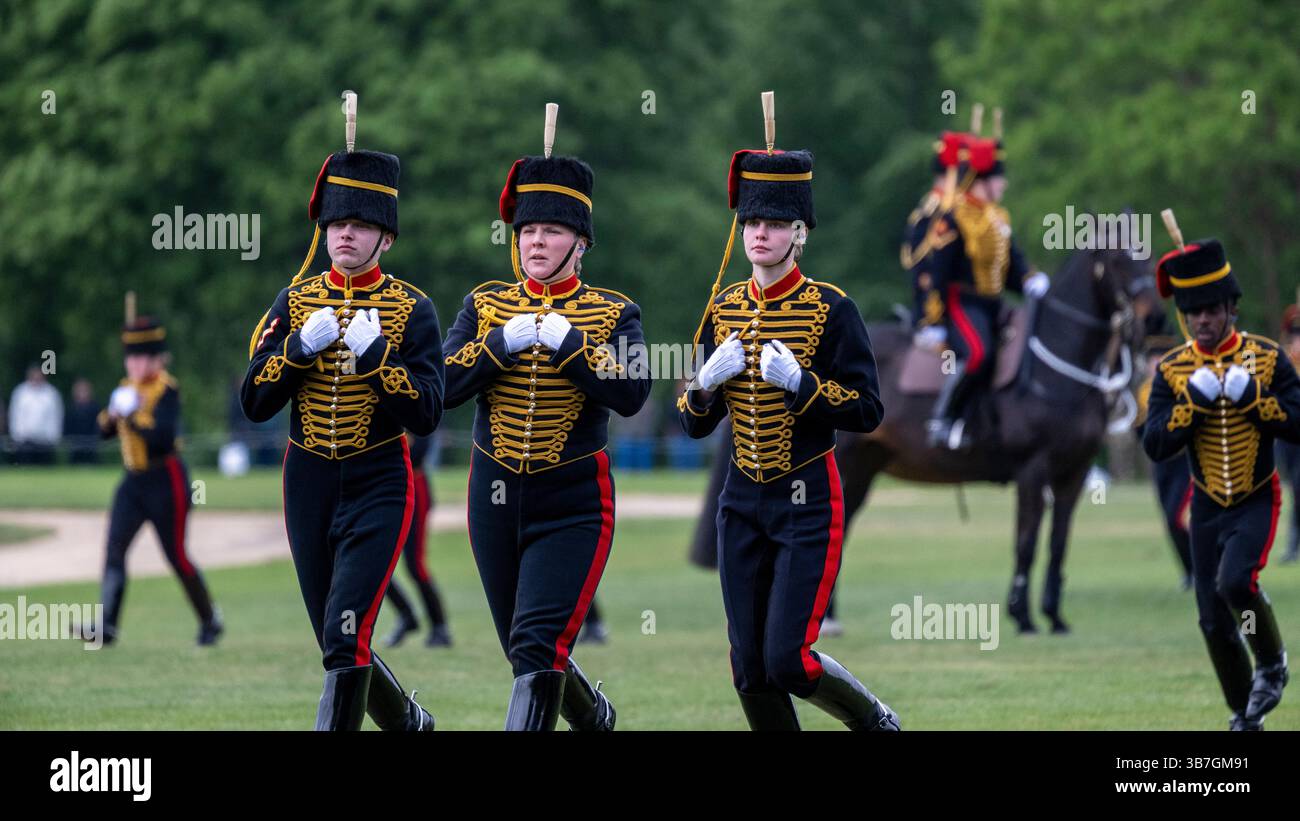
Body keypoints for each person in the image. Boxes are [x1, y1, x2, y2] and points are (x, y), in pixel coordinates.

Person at [677, 130, 897, 731]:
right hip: (740, 501)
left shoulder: (833, 308)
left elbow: (868, 411)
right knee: (748, 668)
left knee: (788, 661)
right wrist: (703, 387)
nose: (760, 233)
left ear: (800, 233)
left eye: (775, 222)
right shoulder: (721, 309)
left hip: (806, 499)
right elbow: (694, 425)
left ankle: (874, 719)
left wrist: (802, 384)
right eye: (751, 221)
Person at [442, 120, 650, 730]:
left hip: (574, 500)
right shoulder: (482, 306)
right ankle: (595, 718)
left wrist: (572, 346)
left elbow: (634, 392)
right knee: (525, 650)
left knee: (537, 649)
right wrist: (499, 345)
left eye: (553, 230)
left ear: (580, 243)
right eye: (528, 230)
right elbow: (444, 388)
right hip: (494, 495)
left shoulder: (615, 312)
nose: (536, 241)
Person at [241, 132, 443, 731]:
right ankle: (407, 722)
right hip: (307, 480)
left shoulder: (413, 308)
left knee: (344, 635)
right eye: (335, 223)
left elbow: (428, 410)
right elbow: (254, 398)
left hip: (379, 479)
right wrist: (300, 349)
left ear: (385, 235)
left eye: (358, 223)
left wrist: (377, 355)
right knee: (336, 642)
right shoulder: (295, 300)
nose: (344, 234)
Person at [1142, 234, 1300, 730]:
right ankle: (1243, 714)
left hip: (1255, 498)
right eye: (1193, 314)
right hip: (1207, 503)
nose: (1203, 321)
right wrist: (1192, 404)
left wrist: (1254, 397)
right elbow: (1155, 443)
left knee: (1236, 584)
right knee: (1211, 619)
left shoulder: (1269, 358)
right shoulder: (1173, 370)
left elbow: (1297, 420)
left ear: (1230, 308)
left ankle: (1271, 661)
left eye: (1211, 310)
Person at [92, 318, 222, 645]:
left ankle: (210, 619)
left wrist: (132, 417)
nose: (135, 364)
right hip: (133, 481)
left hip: (167, 480)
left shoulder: (167, 389)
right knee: (114, 549)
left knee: (176, 555)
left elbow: (163, 438)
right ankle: (107, 625)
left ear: (155, 359)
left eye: (141, 358)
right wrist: (112, 414)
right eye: (131, 358)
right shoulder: (126, 388)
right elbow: (103, 433)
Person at [923, 129, 1048, 450]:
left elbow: (1011, 265)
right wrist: (935, 321)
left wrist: (1029, 280)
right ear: (984, 179)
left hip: (994, 302)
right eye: (999, 179)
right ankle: (943, 418)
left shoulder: (997, 216)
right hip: (961, 302)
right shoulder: (952, 219)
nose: (1003, 185)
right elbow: (938, 274)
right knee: (979, 355)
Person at [383, 432, 453, 648]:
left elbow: (417, 451)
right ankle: (406, 615)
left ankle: (440, 627)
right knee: (372, 564)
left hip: (414, 485)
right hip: (381, 489)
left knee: (415, 565)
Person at [1136, 334, 1195, 588]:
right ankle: (1189, 571)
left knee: (1177, 517)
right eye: (1153, 358)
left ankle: (1200, 567)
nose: (1157, 363)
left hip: (1185, 462)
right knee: (1169, 522)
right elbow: (1140, 430)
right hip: (1160, 465)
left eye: (1162, 357)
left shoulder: (1184, 386)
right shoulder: (1143, 392)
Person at [1278, 304, 1300, 563]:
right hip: (1288, 436)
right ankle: (1293, 543)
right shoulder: (1282, 362)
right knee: (1294, 488)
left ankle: (1294, 544)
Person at [8, 365, 62, 464]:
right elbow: (15, 416)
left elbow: (56, 417)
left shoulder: (51, 393)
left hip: (45, 441)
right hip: (25, 440)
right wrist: (16, 436)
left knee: (44, 468)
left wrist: (54, 437)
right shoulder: (20, 392)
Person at [65, 378, 103, 464]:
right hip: (75, 445)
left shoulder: (96, 408)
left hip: (92, 445)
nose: (82, 393)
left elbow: (99, 426)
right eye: (80, 390)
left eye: (84, 390)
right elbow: (67, 426)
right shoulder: (71, 408)